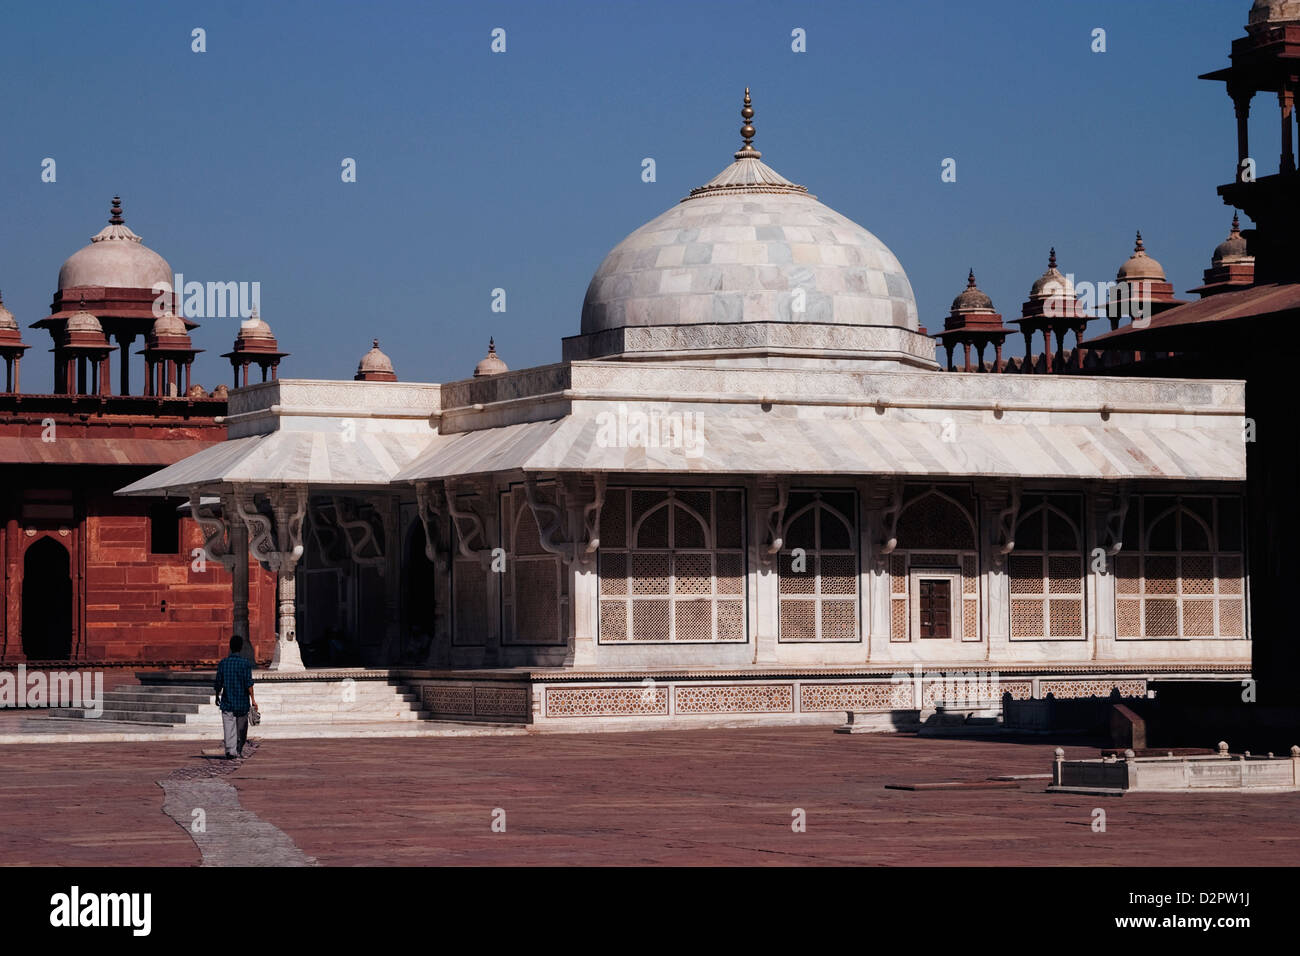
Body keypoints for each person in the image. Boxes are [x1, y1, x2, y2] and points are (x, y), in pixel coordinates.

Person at [213, 634, 257, 759]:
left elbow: (218, 682)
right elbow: (249, 683)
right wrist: (253, 699)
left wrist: (217, 696)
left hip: (228, 700)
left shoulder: (223, 663)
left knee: (228, 727)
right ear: (241, 647)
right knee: (242, 729)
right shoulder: (245, 664)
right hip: (242, 702)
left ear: (230, 647)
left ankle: (230, 750)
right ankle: (238, 749)